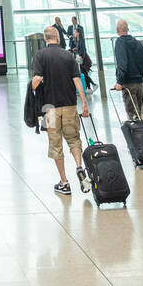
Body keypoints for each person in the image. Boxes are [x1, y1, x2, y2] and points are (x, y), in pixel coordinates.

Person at [31, 26, 90, 197]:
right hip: (70, 104)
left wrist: (31, 89)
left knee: (55, 144)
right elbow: (77, 80)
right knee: (74, 139)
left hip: (49, 108)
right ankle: (79, 167)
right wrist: (84, 103)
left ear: (45, 39)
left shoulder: (41, 55)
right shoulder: (68, 55)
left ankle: (64, 182)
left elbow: (37, 79)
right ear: (58, 37)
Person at [113, 19, 143, 119]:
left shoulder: (119, 43)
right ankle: (141, 133)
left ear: (117, 30)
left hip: (128, 85)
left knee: (133, 116)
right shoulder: (138, 43)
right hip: (139, 84)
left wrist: (119, 82)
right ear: (128, 29)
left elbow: (123, 63)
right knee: (138, 113)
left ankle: (138, 134)